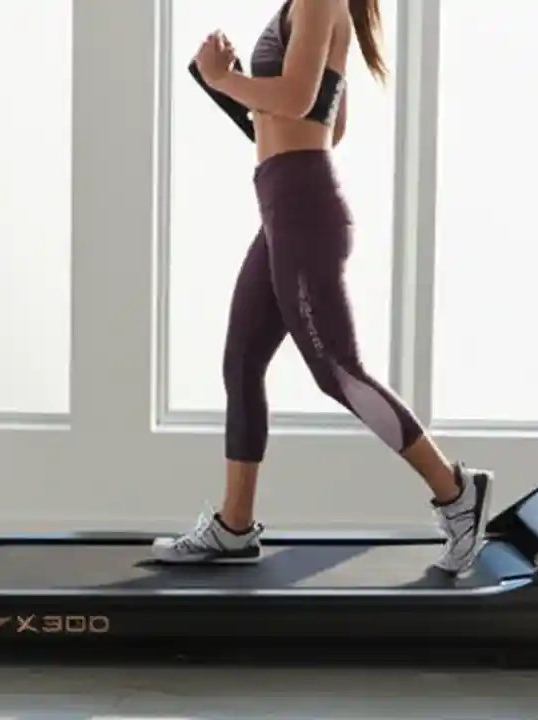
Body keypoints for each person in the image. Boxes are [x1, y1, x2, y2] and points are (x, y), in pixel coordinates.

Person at [153, 0, 494, 573]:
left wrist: (224, 77)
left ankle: (458, 493)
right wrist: (231, 87)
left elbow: (299, 100)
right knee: (241, 363)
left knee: (338, 371)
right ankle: (234, 527)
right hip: (283, 210)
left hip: (304, 211)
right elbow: (328, 124)